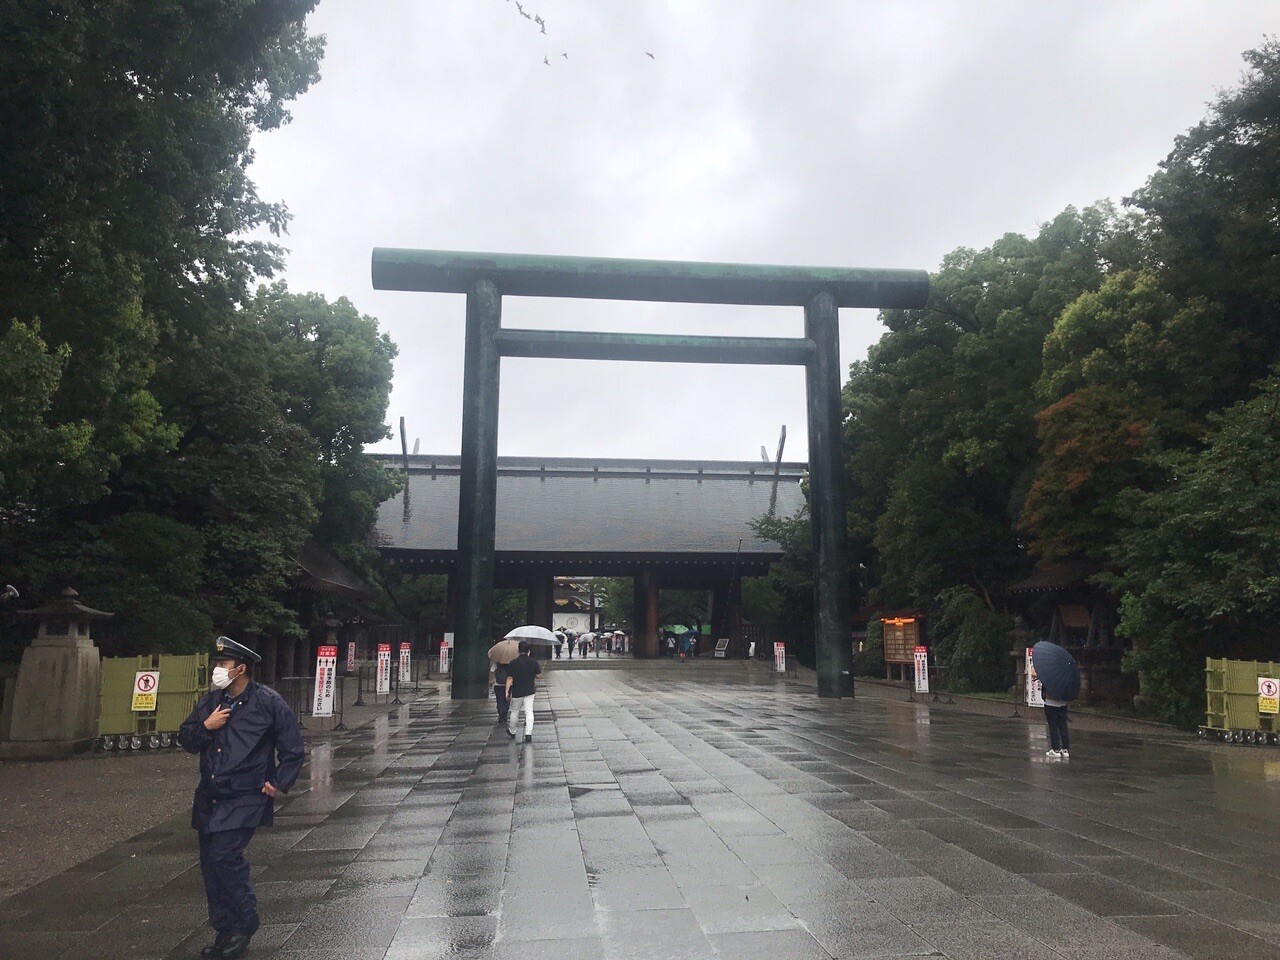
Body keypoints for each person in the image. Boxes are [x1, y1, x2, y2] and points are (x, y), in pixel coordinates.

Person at [178, 636, 305, 960]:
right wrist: (207, 726)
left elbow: (292, 749)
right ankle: (225, 930)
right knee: (210, 864)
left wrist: (278, 782)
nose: (217, 670)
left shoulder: (268, 702)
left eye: (223, 664)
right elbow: (188, 739)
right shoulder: (211, 702)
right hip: (210, 797)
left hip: (246, 796)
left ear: (241, 668)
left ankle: (244, 925)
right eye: (216, 664)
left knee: (224, 857)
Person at [1029, 662, 1070, 759]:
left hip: (1051, 701)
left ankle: (1055, 749)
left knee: (1053, 726)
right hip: (1063, 702)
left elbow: (1037, 677)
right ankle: (1065, 749)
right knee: (1063, 724)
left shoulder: (1050, 673)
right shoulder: (1066, 673)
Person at [505, 641, 542, 742]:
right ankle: (528, 733)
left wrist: (507, 692)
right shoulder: (534, 662)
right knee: (529, 711)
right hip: (530, 690)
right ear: (529, 651)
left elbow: (509, 678)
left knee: (514, 711)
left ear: (518, 650)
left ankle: (512, 731)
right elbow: (539, 675)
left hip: (517, 690)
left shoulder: (513, 663)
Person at [493, 660, 510, 725]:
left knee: (499, 699)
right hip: (509, 684)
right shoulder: (511, 662)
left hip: (498, 684)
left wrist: (491, 680)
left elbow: (492, 671)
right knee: (507, 699)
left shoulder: (496, 661)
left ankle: (500, 714)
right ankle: (505, 713)